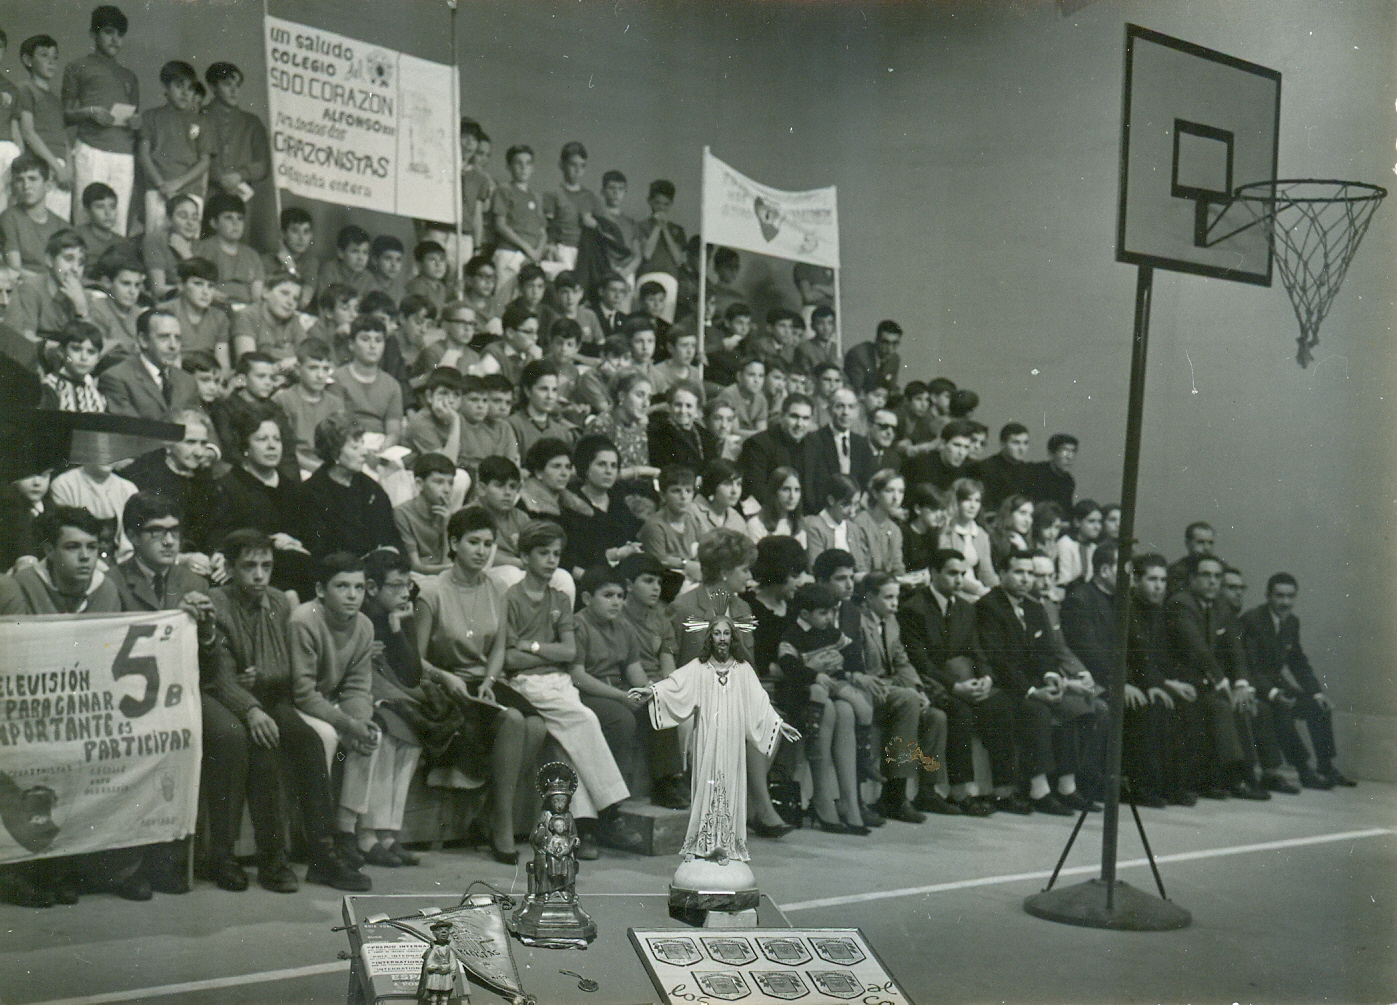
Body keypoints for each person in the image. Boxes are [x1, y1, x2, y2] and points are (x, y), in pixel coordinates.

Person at [205, 530, 348, 892]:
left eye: (266, 566)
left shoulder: (281, 603)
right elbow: (221, 678)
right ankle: (270, 859)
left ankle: (323, 854)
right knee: (265, 750)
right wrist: (251, 707)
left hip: (271, 697)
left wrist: (262, 678)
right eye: (249, 566)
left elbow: (287, 671)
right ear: (230, 567)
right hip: (230, 702)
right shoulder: (216, 602)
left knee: (309, 740)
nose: (258, 575)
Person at [414, 507, 548, 864]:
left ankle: (491, 809)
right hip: (445, 682)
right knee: (515, 721)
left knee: (536, 725)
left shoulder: (497, 587)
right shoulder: (432, 592)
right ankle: (501, 823)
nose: (482, 550)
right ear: (454, 543)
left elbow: (500, 647)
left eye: (488, 543)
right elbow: (415, 660)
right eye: (473, 542)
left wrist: (490, 680)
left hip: (484, 678)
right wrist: (446, 677)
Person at [501, 521, 634, 858]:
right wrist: (545, 651)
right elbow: (508, 658)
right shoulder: (511, 598)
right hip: (527, 684)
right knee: (585, 720)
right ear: (525, 556)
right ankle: (610, 805)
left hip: (558, 681)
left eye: (556, 554)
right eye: (542, 553)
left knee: (566, 746)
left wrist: (530, 647)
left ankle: (584, 824)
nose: (550, 560)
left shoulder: (560, 598)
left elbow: (569, 652)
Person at [633, 614, 796, 862]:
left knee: (730, 787)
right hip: (708, 738)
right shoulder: (699, 668)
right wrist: (651, 692)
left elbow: (760, 703)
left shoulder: (743, 670)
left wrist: (780, 724)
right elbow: (675, 685)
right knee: (708, 787)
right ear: (710, 637)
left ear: (733, 637)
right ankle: (704, 844)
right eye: (717, 634)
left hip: (732, 739)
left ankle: (728, 845)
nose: (722, 639)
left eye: (726, 634)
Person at [287, 552, 380, 887]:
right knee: (326, 737)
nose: (352, 595)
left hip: (329, 703)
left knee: (370, 735)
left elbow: (357, 687)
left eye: (358, 587)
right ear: (321, 589)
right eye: (342, 586)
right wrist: (347, 724)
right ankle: (318, 837)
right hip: (295, 704)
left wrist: (360, 723)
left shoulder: (364, 625)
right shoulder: (304, 620)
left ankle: (345, 831)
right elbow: (302, 692)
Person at [571, 565, 686, 808]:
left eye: (620, 596)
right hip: (587, 691)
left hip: (618, 690)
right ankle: (612, 800)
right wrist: (622, 697)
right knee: (622, 719)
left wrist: (649, 690)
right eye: (608, 596)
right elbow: (578, 676)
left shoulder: (623, 627)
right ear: (587, 599)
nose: (615, 603)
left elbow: (634, 670)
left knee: (659, 703)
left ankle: (666, 782)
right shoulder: (579, 626)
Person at [975, 551, 1077, 815]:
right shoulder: (989, 605)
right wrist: (1032, 691)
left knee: (1075, 706)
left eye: (1030, 573)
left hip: (1032, 682)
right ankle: (1038, 789)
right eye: (1019, 572)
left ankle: (1068, 786)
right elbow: (998, 660)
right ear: (1002, 574)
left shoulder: (1034, 607)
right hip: (1005, 685)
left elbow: (1045, 653)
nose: (1026, 579)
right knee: (1036, 710)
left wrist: (1051, 677)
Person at [1165, 554, 1271, 801]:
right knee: (1222, 705)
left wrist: (1243, 684)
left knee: (1243, 701)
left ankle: (1251, 774)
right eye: (1205, 575)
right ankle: (1236, 777)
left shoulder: (1221, 606)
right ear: (1192, 579)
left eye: (1216, 576)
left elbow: (1235, 648)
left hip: (1209, 680)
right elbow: (1198, 649)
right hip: (1184, 679)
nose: (1212, 582)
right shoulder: (1181, 603)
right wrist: (1223, 683)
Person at [1240, 573, 1353, 789]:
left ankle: (1326, 767)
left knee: (1319, 707)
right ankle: (1303, 770)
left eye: (1290, 596)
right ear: (1267, 596)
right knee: (1282, 709)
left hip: (1277, 684)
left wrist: (1317, 693)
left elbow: (1298, 662)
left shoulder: (1292, 622)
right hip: (1256, 686)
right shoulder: (1253, 620)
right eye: (1279, 596)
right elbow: (1251, 668)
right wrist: (1274, 693)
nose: (1285, 602)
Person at [856, 571, 951, 822]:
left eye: (896, 597)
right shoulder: (858, 622)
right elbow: (861, 668)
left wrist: (918, 690)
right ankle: (896, 795)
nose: (895, 603)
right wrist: (908, 693)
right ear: (869, 598)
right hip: (869, 690)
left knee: (935, 715)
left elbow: (903, 663)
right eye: (888, 597)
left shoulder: (892, 622)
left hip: (893, 690)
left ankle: (927, 790)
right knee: (908, 701)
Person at [777, 580, 868, 834]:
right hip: (800, 695)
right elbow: (788, 667)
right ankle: (822, 797)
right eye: (823, 613)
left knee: (846, 711)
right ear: (805, 614)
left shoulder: (830, 632)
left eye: (832, 612)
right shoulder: (792, 633)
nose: (829, 618)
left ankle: (850, 801)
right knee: (827, 708)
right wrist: (813, 673)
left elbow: (852, 650)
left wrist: (852, 671)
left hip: (826, 690)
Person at [210, 403, 312, 597]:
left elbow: (308, 537)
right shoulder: (227, 487)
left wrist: (294, 542)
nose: (272, 446)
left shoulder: (293, 489)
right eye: (262, 439)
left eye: (277, 439)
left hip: (294, 572)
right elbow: (221, 540)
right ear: (245, 446)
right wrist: (273, 542)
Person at [63, 6, 140, 235]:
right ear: (93, 35)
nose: (115, 39)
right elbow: (65, 114)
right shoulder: (77, 67)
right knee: (85, 214)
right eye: (108, 32)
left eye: (119, 34)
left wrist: (136, 122)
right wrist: (90, 112)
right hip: (91, 148)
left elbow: (134, 116)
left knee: (118, 217)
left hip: (123, 153)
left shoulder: (129, 77)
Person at [1121, 552, 1189, 808]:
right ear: (1136, 580)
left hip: (1151, 681)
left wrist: (1166, 683)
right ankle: (1143, 786)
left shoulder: (1159, 612)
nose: (1159, 586)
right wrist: (1153, 686)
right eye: (1152, 579)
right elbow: (1130, 657)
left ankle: (1172, 784)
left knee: (1182, 704)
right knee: (1150, 709)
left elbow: (1160, 659)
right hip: (1130, 682)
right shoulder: (1126, 610)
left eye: (1162, 580)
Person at [300, 412, 403, 559]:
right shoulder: (311, 493)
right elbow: (320, 549)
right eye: (355, 447)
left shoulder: (371, 488)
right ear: (335, 453)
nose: (364, 452)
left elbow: (392, 537)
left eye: (363, 444)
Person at [137, 60, 211, 234]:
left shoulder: (202, 122)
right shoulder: (151, 117)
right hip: (158, 191)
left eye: (190, 88)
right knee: (156, 239)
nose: (185, 93)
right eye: (179, 86)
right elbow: (144, 155)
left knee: (188, 244)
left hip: (190, 191)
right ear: (166, 87)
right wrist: (161, 184)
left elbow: (204, 161)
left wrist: (177, 184)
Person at [561, 436, 643, 577]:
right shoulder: (572, 503)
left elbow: (633, 535)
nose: (609, 471)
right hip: (587, 576)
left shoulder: (617, 501)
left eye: (613, 466)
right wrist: (615, 554)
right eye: (601, 464)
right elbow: (573, 556)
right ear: (586, 468)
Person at [97, 307, 197, 420]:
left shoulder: (188, 382)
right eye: (164, 337)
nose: (173, 346)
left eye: (177, 338)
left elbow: (202, 427)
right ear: (143, 340)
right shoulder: (117, 378)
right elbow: (130, 430)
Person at [17, 34, 73, 221]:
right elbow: (28, 132)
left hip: (60, 169)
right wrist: (56, 168)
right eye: (43, 55)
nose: (51, 62)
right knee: (38, 222)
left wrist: (68, 169)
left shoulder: (55, 99)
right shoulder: (26, 89)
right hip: (42, 166)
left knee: (59, 224)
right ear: (28, 60)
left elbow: (63, 136)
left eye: (54, 57)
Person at [272, 337, 345, 477]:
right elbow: (286, 449)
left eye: (325, 369)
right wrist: (319, 470)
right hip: (297, 465)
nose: (320, 375)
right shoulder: (283, 400)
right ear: (299, 369)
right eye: (313, 368)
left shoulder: (335, 403)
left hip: (328, 465)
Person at [202, 62, 270, 207]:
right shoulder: (200, 116)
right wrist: (218, 176)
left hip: (240, 195)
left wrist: (241, 175)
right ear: (213, 87)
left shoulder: (252, 123)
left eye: (238, 85)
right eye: (227, 84)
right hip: (206, 192)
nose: (234, 90)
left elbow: (263, 164)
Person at [739, 393, 814, 509]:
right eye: (794, 417)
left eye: (805, 418)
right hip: (770, 514)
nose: (800, 424)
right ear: (782, 416)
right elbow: (756, 490)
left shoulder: (813, 444)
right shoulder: (758, 444)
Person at [807, 388, 874, 512]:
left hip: (853, 512)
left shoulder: (862, 443)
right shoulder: (815, 440)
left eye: (851, 407)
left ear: (857, 411)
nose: (846, 412)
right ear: (829, 410)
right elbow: (810, 484)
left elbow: (866, 482)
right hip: (822, 511)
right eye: (840, 406)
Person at [640, 466, 705, 591]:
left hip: (692, 580)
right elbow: (658, 562)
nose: (683, 497)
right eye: (676, 491)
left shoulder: (693, 521)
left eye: (688, 491)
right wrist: (686, 565)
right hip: (666, 585)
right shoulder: (655, 525)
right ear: (663, 496)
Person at [194, 192, 264, 309]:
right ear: (214, 223)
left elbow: (257, 296)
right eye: (228, 217)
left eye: (240, 218)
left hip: (245, 311)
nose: (235, 223)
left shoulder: (252, 255)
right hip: (213, 307)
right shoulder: (203, 249)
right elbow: (196, 285)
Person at [1, 154, 66, 276]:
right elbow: (14, 269)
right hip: (24, 286)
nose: (26, 186)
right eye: (20, 180)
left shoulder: (61, 225)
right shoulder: (9, 218)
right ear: (14, 186)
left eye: (32, 179)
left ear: (48, 185)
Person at [937, 477, 996, 598]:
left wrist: (1000, 592)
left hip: (977, 591)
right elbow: (950, 572)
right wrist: (979, 590)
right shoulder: (946, 531)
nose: (973, 506)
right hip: (953, 591)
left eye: (977, 501)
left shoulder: (981, 534)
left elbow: (987, 573)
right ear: (956, 502)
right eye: (968, 500)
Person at [230, 271, 303, 367]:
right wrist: (283, 364)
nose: (290, 302)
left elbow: (308, 357)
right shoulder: (247, 316)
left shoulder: (293, 320)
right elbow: (248, 364)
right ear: (266, 292)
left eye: (295, 299)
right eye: (284, 293)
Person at [171, 257, 230, 370]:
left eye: (210, 286)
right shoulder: (168, 312)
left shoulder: (219, 317)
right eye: (198, 284)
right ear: (181, 285)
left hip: (208, 375)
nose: (205, 292)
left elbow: (223, 363)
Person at [141, 192, 201, 301]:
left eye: (194, 218)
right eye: (183, 216)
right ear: (169, 219)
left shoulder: (199, 244)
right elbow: (158, 289)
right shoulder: (156, 239)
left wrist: (186, 254)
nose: (190, 223)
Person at [39, 320, 107, 412]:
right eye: (76, 349)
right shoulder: (49, 388)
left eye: (91, 352)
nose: (84, 357)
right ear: (61, 352)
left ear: (98, 358)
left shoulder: (97, 396)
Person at [850, 470, 906, 577]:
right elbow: (860, 567)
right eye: (889, 491)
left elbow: (898, 566)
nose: (896, 498)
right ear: (875, 493)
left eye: (901, 491)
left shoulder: (894, 529)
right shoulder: (859, 524)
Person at [265, 207, 319, 308]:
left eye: (306, 232)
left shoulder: (311, 263)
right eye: (295, 231)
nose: (301, 238)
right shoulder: (266, 261)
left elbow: (303, 301)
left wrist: (291, 267)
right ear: (283, 234)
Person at [905, 417, 976, 494]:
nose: (961, 452)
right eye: (957, 445)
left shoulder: (968, 471)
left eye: (966, 447)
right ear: (942, 444)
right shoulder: (919, 465)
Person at [975, 422, 1033, 512]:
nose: (1022, 448)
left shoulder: (1028, 470)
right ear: (1002, 444)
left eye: (1025, 443)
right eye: (1016, 443)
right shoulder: (986, 467)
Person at [803, 474, 857, 570]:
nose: (852, 511)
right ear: (831, 500)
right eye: (846, 504)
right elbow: (816, 568)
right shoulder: (814, 526)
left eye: (856, 504)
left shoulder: (852, 528)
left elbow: (860, 566)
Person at [748, 466, 808, 548]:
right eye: (786, 489)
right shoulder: (756, 524)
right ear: (774, 492)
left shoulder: (799, 523)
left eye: (797, 490)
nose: (792, 496)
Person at [843, 319, 901, 396]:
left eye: (895, 343)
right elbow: (857, 390)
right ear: (876, 340)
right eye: (885, 342)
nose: (890, 348)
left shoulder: (894, 359)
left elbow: (891, 388)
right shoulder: (858, 355)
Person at [717, 356, 769, 441]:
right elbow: (733, 430)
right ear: (739, 376)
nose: (757, 380)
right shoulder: (728, 395)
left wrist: (762, 435)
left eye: (761, 376)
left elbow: (762, 429)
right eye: (751, 375)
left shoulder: (761, 399)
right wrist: (761, 435)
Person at [1057, 498, 1104, 587]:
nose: (1097, 527)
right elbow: (1064, 579)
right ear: (1077, 522)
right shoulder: (1066, 543)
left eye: (1099, 522)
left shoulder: (1093, 548)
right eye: (1091, 521)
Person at [318, 225, 373, 298]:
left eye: (365, 252)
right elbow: (324, 302)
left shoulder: (367, 277)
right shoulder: (330, 270)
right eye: (355, 251)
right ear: (341, 253)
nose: (361, 258)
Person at [1166, 521, 1216, 597]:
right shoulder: (1175, 572)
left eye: (1210, 543)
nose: (1207, 548)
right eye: (1200, 542)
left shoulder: (1222, 569)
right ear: (1188, 543)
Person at [1032, 432, 1078, 512]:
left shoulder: (1068, 480)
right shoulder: (1035, 473)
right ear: (1051, 453)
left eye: (1073, 451)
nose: (1070, 457)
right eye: (1065, 450)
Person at [988, 493, 1034, 572]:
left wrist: (1023, 548)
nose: (1028, 520)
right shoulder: (993, 539)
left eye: (1031, 515)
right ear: (1009, 514)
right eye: (1022, 513)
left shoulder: (1028, 541)